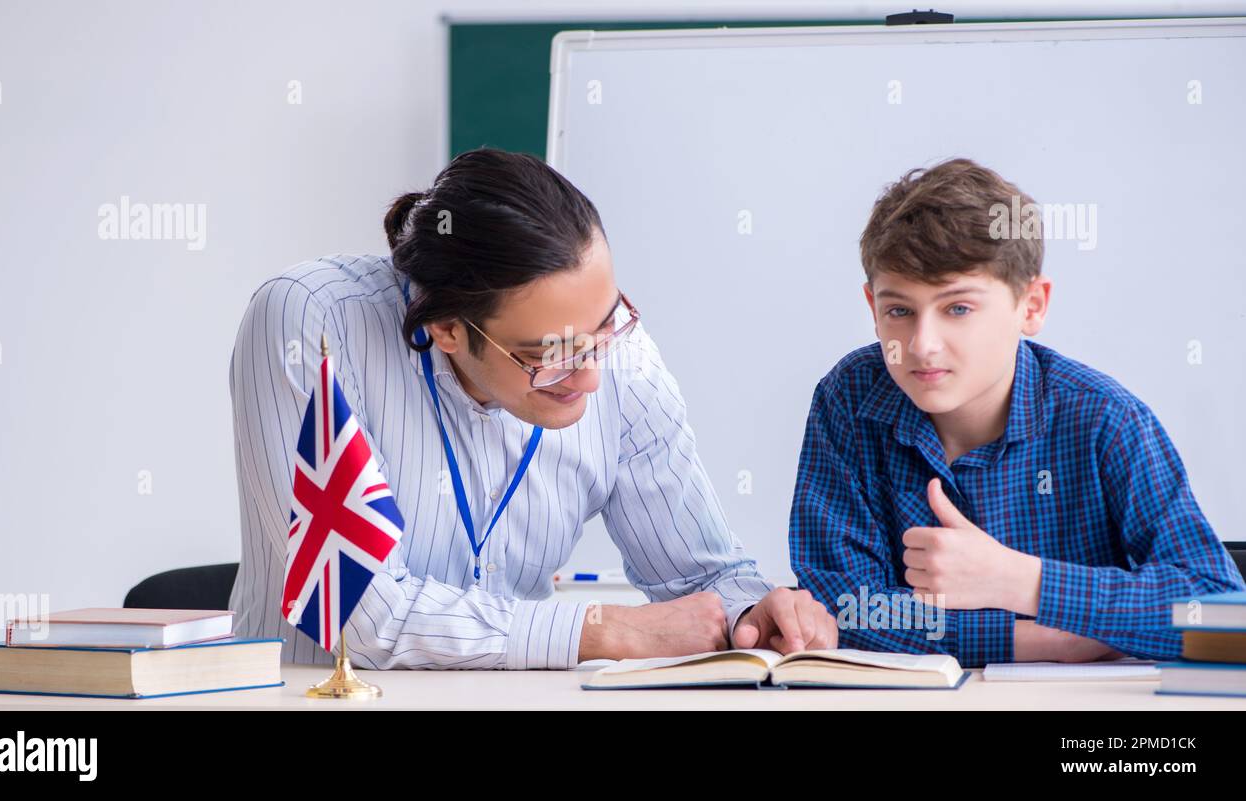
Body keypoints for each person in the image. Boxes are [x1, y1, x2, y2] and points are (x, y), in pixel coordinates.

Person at [229, 147, 837, 668]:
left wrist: (758, 612)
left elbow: (700, 578)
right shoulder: (312, 321)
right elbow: (354, 610)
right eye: (549, 355)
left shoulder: (616, 357)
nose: (594, 376)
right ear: (446, 328)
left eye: (607, 327)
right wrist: (602, 630)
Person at [789, 157, 1244, 666]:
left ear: (1032, 306)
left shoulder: (1104, 419)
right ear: (873, 307)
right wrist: (1039, 640)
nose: (923, 345)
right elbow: (839, 608)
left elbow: (1225, 616)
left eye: (958, 308)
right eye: (900, 311)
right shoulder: (849, 398)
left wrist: (1019, 581)